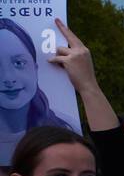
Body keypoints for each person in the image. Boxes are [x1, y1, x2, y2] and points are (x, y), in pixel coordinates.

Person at [0, 18, 76, 164]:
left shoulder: (68, 128)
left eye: (19, 63)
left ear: (35, 68)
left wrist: (88, 84)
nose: (8, 78)